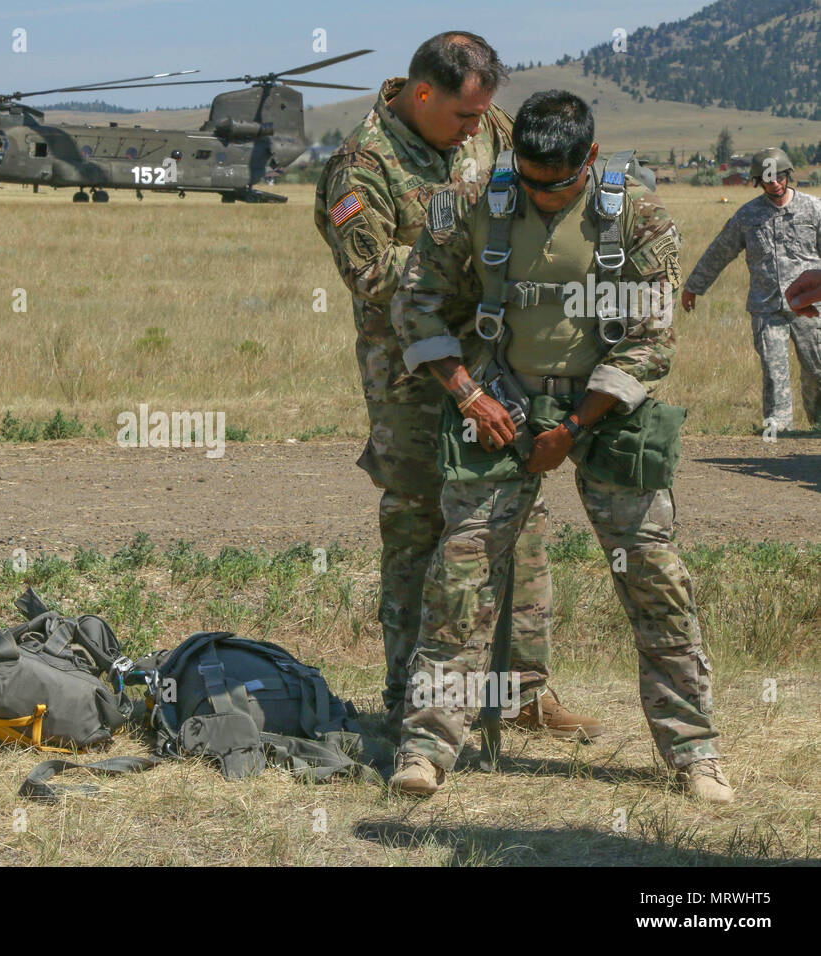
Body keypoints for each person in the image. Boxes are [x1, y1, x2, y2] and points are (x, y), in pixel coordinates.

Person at [387, 90, 731, 803]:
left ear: (592, 160)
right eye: (531, 179)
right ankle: (424, 748)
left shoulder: (637, 213)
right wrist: (468, 395)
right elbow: (415, 301)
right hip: (501, 400)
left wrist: (574, 428)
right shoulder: (473, 198)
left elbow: (652, 339)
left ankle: (695, 752)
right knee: (461, 574)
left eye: (560, 184)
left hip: (605, 406)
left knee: (655, 577)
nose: (543, 197)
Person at [313, 31, 602, 745]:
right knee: (418, 527)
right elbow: (372, 274)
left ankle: (524, 695)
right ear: (421, 94)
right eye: (465, 117)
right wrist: (471, 257)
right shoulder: (360, 165)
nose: (478, 130)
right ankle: (406, 702)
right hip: (412, 374)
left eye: (483, 118)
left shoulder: (491, 130)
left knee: (520, 516)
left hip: (500, 364)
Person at [682, 147, 821, 431]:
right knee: (773, 370)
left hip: (811, 306)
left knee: (817, 369)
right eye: (767, 179)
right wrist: (694, 287)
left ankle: (818, 427)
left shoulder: (814, 209)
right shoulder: (747, 216)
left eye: (779, 177)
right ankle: (778, 430)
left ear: (787, 175)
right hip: (766, 307)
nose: (775, 184)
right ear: (758, 181)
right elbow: (719, 252)